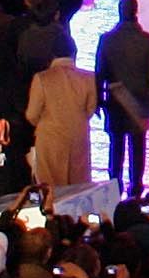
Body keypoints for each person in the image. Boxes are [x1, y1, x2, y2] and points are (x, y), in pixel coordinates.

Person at [96, 0, 149, 190]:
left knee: (116, 147)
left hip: (115, 100)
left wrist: (99, 101)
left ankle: (115, 187)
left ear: (119, 12)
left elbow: (99, 74)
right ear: (136, 12)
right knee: (138, 146)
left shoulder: (106, 39)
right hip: (139, 101)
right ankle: (136, 187)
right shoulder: (147, 40)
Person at [24, 45, 100, 190]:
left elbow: (31, 114)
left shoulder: (42, 78)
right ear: (74, 53)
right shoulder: (89, 78)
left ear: (51, 56)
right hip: (78, 137)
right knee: (78, 187)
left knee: (50, 187)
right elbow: (90, 110)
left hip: (50, 139)